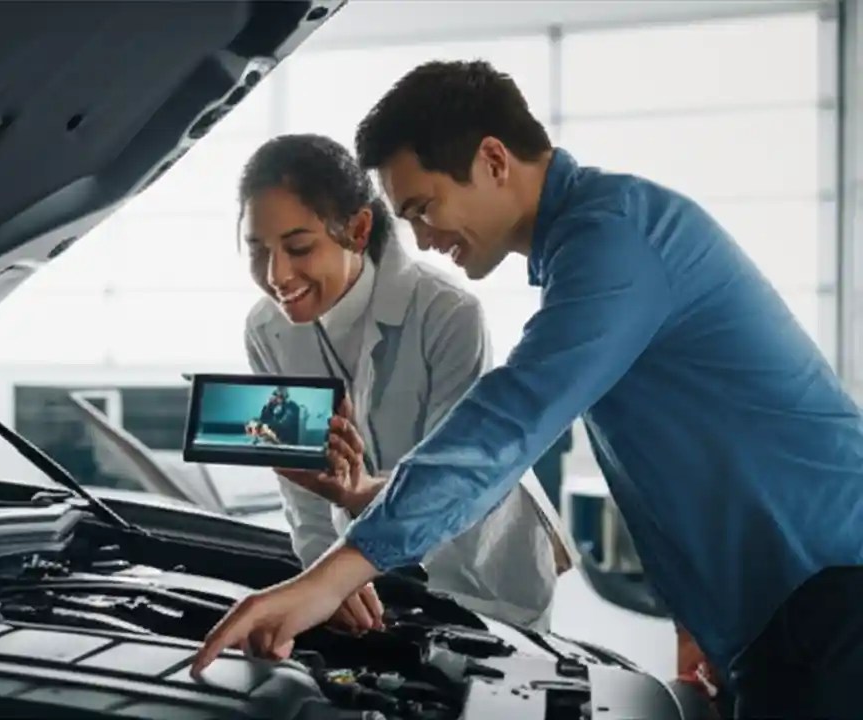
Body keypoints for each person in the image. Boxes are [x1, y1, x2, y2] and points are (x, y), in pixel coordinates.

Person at [193, 60, 863, 719]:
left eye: (423, 209)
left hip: (831, 589)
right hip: (777, 607)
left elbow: (502, 427)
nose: (421, 240)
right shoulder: (594, 241)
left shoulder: (616, 242)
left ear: (492, 160)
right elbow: (673, 463)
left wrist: (329, 579)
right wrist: (699, 617)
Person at [237, 133, 570, 633]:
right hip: (368, 573)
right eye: (256, 250)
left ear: (358, 228)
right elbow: (302, 488)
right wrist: (318, 569)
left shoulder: (447, 314)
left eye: (299, 247)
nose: (276, 274)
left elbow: (453, 486)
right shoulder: (266, 330)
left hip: (482, 567)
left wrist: (352, 517)